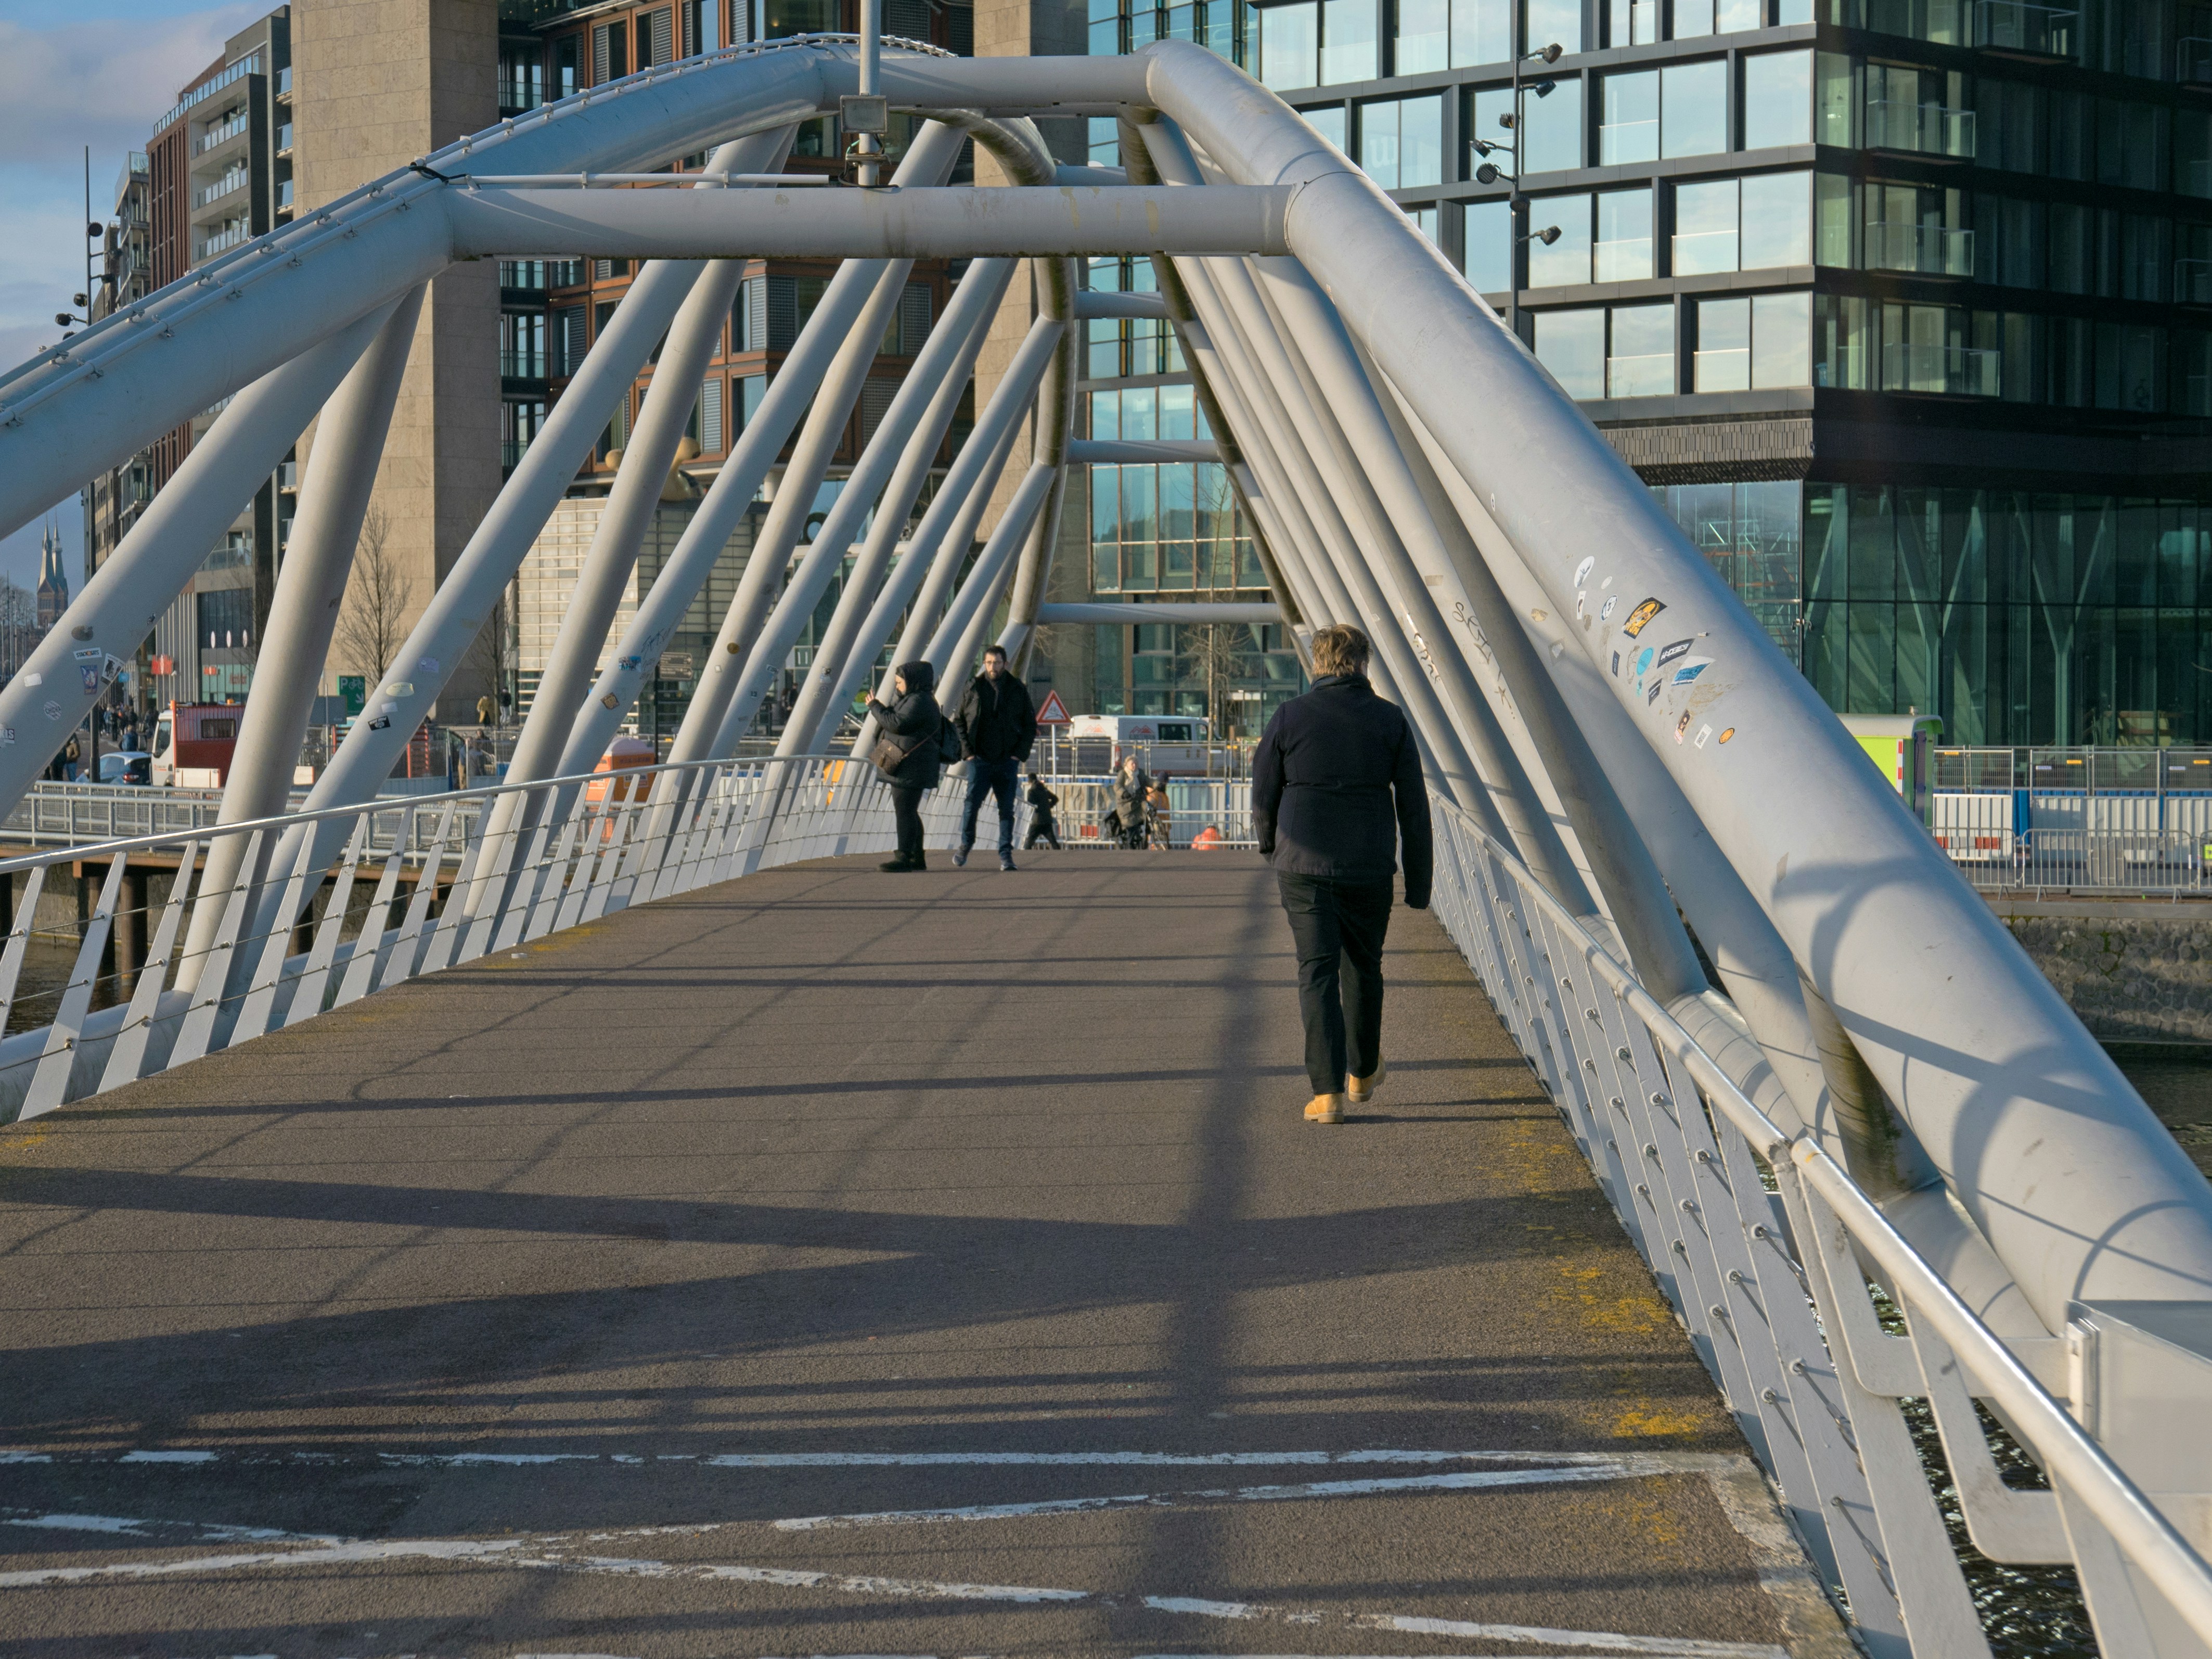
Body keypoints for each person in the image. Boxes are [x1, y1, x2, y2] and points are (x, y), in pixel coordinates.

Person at [1253, 623, 1431, 1126]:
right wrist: (1419, 885)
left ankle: (1326, 1094)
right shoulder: (1389, 719)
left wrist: (1270, 844)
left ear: (1318, 664)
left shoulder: (1290, 716)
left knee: (1316, 971)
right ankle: (1362, 1074)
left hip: (1303, 864)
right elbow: (1414, 807)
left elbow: (1263, 787)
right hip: (1368, 864)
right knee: (1364, 966)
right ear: (1363, 663)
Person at [950, 645, 1038, 871]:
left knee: (1007, 809)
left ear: (1005, 664)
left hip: (1006, 761)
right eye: (988, 663)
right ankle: (966, 844)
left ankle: (1006, 855)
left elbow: (1030, 725)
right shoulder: (974, 687)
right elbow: (959, 720)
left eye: (997, 663)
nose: (992, 667)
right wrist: (968, 752)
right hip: (979, 759)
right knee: (972, 804)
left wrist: (1018, 755)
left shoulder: (1017, 690)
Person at [866, 660, 945, 872]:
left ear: (913, 682)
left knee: (904, 811)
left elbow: (896, 723)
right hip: (913, 764)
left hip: (912, 765)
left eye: (900, 683)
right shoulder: (916, 699)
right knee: (909, 811)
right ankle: (916, 857)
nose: (898, 687)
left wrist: (875, 706)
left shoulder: (919, 701)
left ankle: (904, 858)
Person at [1111, 754, 1150, 849]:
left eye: (1136, 763)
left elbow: (1148, 781)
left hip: (1138, 802)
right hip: (1126, 805)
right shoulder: (1123, 774)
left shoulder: (1140, 773)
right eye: (1132, 764)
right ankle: (1130, 845)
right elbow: (1117, 786)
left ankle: (1152, 830)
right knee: (1130, 825)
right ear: (1127, 765)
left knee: (1150, 810)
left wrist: (1157, 784)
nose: (1135, 766)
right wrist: (1124, 793)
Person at [1022, 771, 1062, 850]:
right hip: (1047, 819)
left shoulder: (1031, 791)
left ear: (1029, 781)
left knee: (1029, 842)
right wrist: (1048, 807)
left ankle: (1026, 856)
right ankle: (1061, 856)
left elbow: (1031, 805)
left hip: (1037, 821)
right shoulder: (1044, 789)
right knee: (1053, 842)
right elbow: (1055, 799)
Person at [1144, 775, 1172, 849]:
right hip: (1157, 820)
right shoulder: (1154, 792)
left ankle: (1158, 847)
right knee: (1154, 834)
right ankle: (1154, 847)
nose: (1165, 785)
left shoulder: (1164, 796)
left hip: (1163, 823)